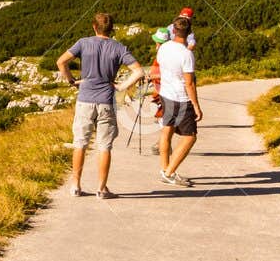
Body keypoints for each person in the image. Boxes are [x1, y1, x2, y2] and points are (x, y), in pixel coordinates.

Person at [56, 12, 144, 200]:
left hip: (85, 99)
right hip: (106, 101)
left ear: (94, 27)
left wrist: (72, 80)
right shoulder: (118, 47)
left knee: (80, 143)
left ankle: (75, 185)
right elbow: (138, 71)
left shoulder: (83, 43)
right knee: (104, 146)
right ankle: (102, 189)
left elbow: (61, 61)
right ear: (111, 30)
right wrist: (121, 86)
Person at [157, 15, 203, 187]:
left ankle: (165, 168)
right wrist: (196, 106)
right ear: (189, 32)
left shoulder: (163, 48)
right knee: (189, 137)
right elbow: (189, 83)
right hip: (181, 99)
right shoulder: (187, 54)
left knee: (166, 132)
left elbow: (161, 67)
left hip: (166, 94)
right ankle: (169, 173)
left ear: (173, 30)